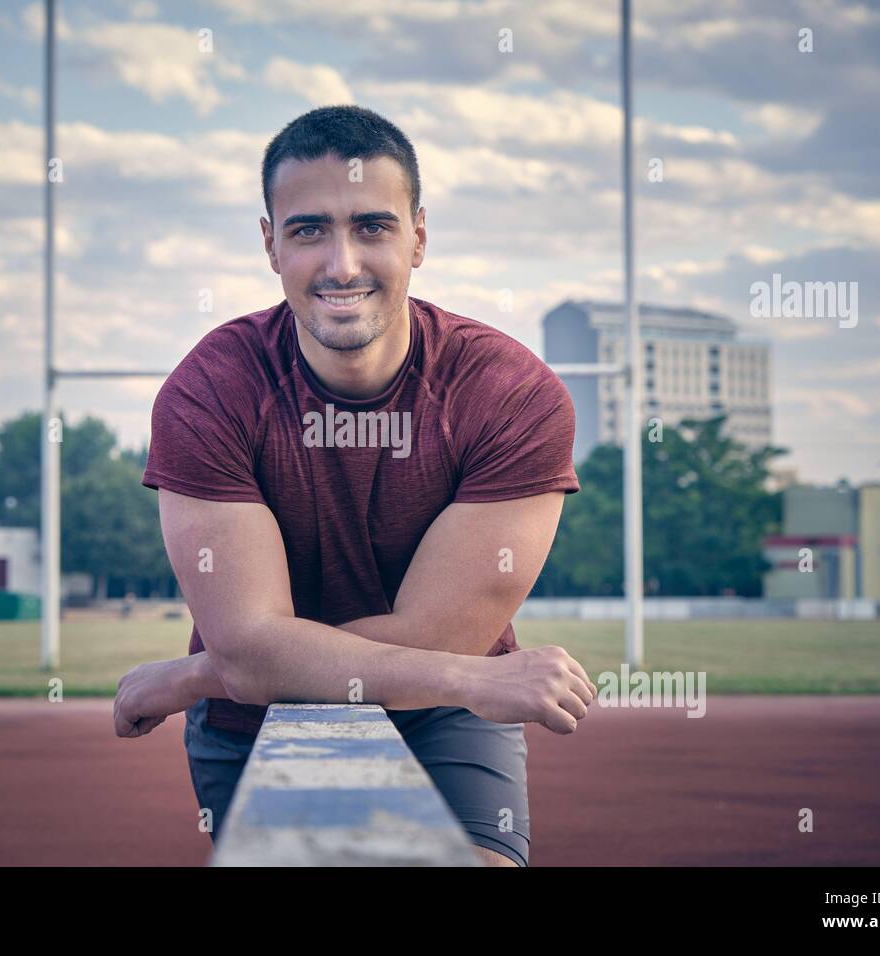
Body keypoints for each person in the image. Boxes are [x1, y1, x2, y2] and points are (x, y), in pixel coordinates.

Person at [114, 105, 595, 867]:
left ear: (419, 237)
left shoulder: (510, 393)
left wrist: (210, 671)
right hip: (264, 715)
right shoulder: (211, 390)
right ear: (270, 244)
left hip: (443, 711)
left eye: (372, 226)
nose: (342, 264)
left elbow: (444, 636)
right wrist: (242, 659)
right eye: (308, 230)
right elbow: (253, 648)